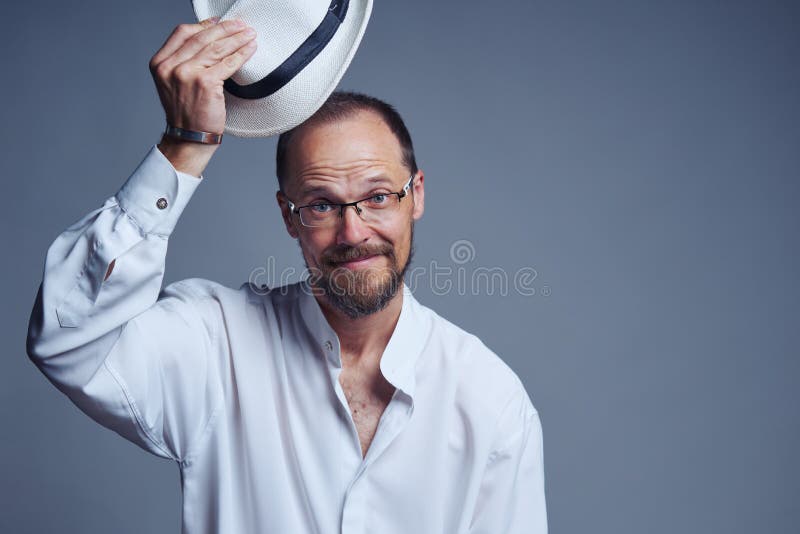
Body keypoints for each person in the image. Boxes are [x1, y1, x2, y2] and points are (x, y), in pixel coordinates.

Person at [27, 17, 547, 534]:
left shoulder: (491, 401)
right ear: (287, 215)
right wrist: (185, 145)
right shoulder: (215, 348)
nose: (353, 231)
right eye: (321, 205)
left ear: (418, 196)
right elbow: (69, 339)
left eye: (378, 197)